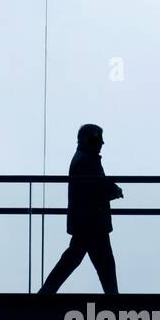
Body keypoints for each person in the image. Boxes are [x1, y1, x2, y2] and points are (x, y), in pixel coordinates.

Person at [39, 123, 122, 295]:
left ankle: (47, 291)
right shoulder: (86, 161)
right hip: (92, 223)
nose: (101, 144)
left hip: (87, 222)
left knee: (75, 258)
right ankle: (113, 298)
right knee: (102, 262)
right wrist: (112, 190)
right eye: (97, 140)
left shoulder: (83, 159)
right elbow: (94, 188)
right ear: (88, 140)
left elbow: (93, 186)